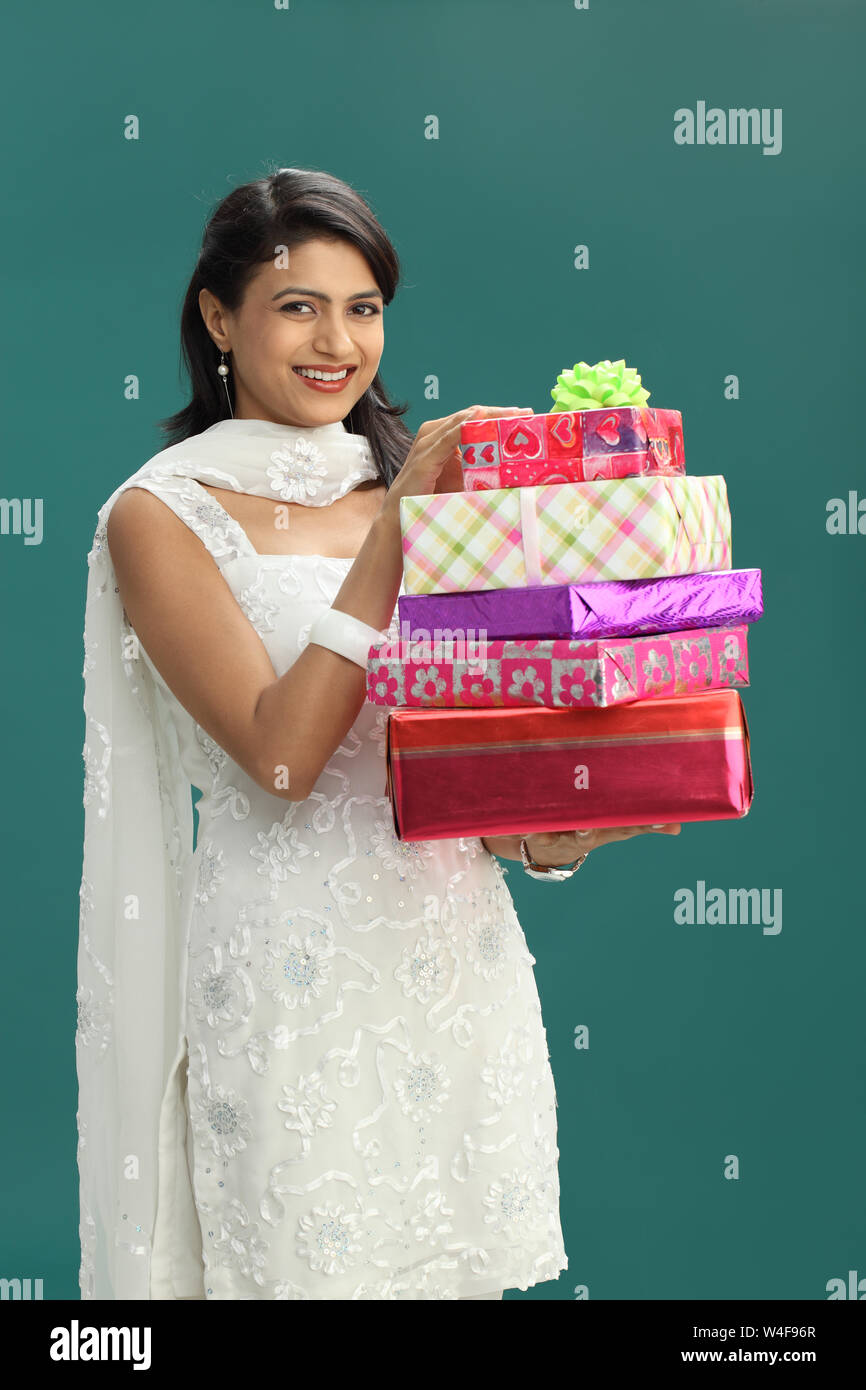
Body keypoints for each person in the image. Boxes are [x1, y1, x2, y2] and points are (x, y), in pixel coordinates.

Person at [76, 165, 680, 1301]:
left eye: (363, 308)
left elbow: (465, 769)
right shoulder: (159, 514)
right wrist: (397, 529)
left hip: (452, 962)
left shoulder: (430, 490)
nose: (336, 343)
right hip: (286, 982)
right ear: (218, 315)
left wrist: (566, 830)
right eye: (297, 304)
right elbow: (285, 757)